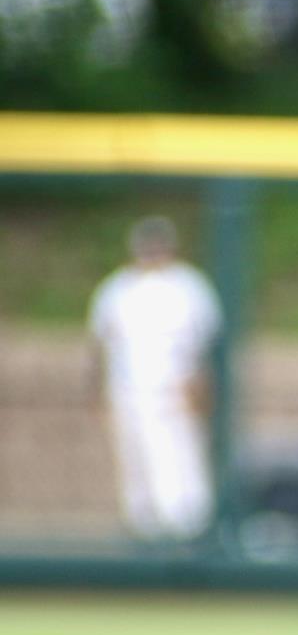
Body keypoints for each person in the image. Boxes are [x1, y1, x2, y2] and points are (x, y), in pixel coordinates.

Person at [86, 216, 222, 541]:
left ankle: (189, 530)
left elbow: (207, 344)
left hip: (174, 388)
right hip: (127, 390)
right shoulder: (118, 287)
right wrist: (97, 392)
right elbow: (100, 343)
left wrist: (201, 386)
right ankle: (144, 531)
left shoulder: (188, 285)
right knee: (136, 465)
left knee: (180, 462)